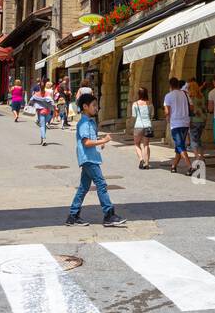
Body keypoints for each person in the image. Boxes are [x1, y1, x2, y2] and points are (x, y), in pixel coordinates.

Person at [65, 93, 127, 227]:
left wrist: (101, 142)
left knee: (83, 187)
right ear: (85, 107)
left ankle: (73, 216)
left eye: (96, 105)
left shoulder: (91, 122)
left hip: (91, 158)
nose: (96, 108)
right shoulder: (83, 123)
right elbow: (86, 142)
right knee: (101, 184)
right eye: (93, 105)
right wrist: (102, 140)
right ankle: (109, 214)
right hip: (88, 159)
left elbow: (92, 140)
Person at [164, 77, 194, 175]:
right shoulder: (185, 94)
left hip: (175, 123)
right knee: (179, 145)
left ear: (170, 85)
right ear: (178, 84)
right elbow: (191, 107)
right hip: (185, 122)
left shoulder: (168, 96)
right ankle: (174, 166)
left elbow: (167, 111)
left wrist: (167, 117)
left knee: (180, 145)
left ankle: (190, 166)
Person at [131, 87, 153, 169]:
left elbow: (134, 116)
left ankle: (141, 159)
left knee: (137, 144)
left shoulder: (135, 104)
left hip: (138, 125)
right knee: (146, 145)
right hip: (148, 125)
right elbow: (152, 115)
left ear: (139, 94)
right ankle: (147, 163)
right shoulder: (150, 103)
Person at [187, 76, 205, 168]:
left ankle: (197, 158)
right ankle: (202, 157)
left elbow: (190, 111)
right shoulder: (201, 96)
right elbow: (204, 109)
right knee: (199, 140)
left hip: (194, 120)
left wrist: (188, 121)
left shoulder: (190, 98)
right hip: (202, 120)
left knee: (193, 141)